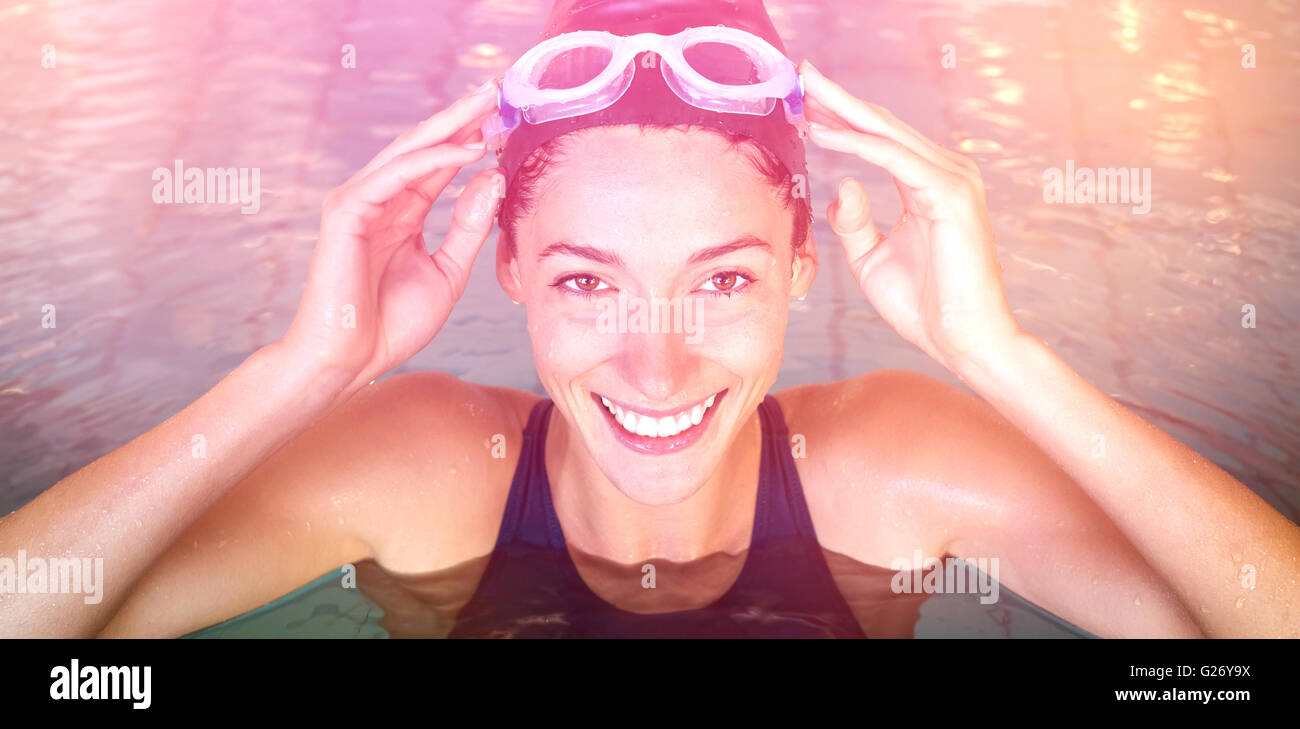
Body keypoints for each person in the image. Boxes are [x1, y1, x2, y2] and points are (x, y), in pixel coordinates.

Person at [2, 0, 1296, 638]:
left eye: (725, 275)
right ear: (507, 266)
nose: (657, 356)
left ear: (805, 263)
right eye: (585, 279)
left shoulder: (887, 468)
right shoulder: (433, 471)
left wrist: (1000, 357)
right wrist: (305, 366)